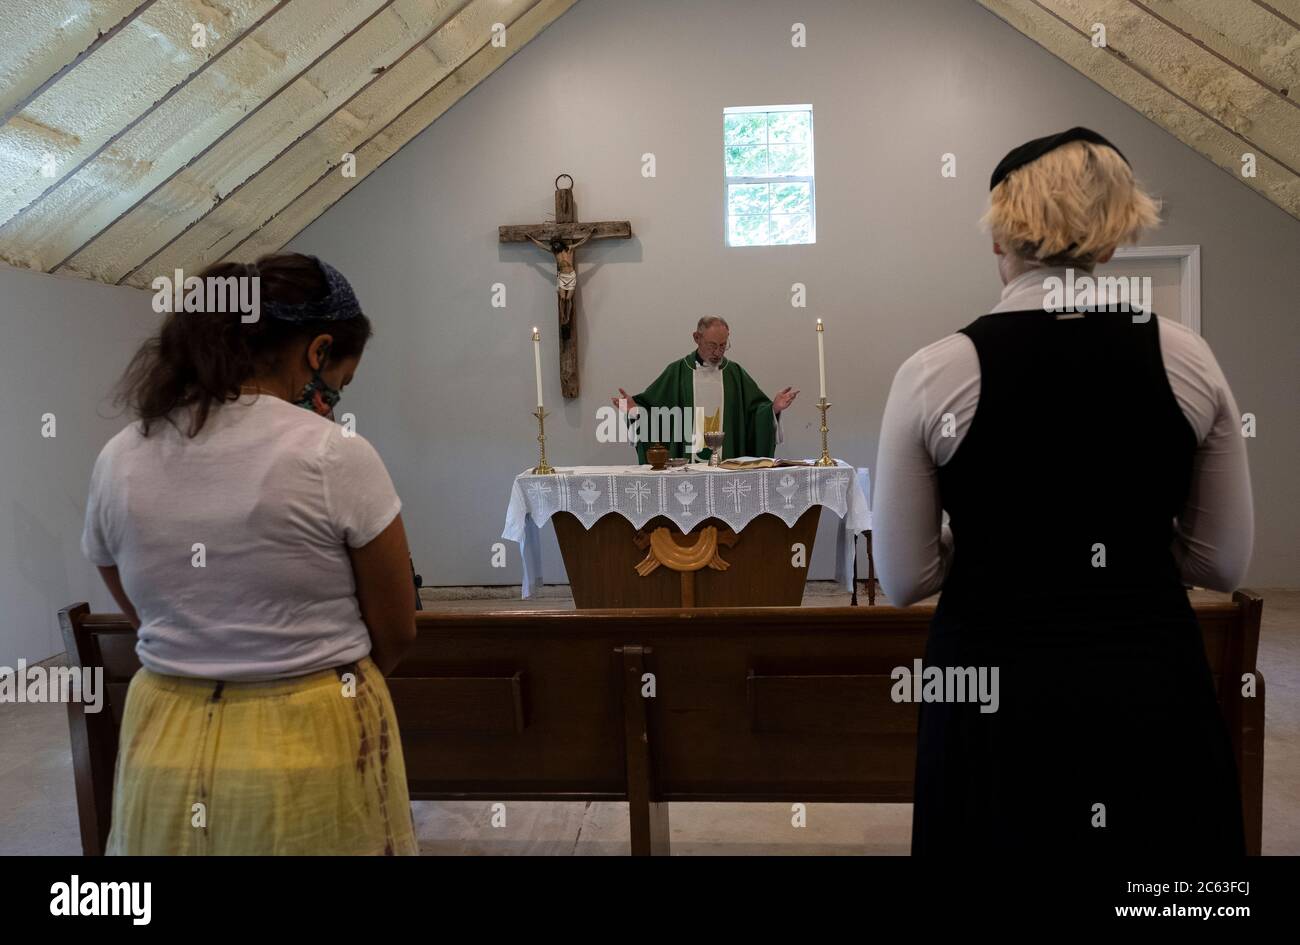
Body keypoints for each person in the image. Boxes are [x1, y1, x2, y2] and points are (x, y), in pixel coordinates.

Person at [873, 127, 1252, 855]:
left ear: (997, 239)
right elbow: (1222, 562)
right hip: (1147, 682)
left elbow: (904, 576)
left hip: (989, 692)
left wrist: (990, 539)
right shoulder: (1186, 356)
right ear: (1111, 243)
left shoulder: (935, 371)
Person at [81, 252, 419, 855]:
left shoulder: (121, 454)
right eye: (340, 383)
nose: (332, 400)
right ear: (317, 352)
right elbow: (396, 627)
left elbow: (121, 581)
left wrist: (199, 642)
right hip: (310, 734)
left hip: (164, 732)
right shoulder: (334, 454)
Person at [612, 316, 799, 463]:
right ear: (696, 338)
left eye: (723, 346)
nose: (718, 352)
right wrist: (634, 410)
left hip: (728, 466)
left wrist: (773, 409)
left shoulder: (734, 373)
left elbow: (755, 414)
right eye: (712, 345)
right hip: (686, 467)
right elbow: (655, 411)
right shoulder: (677, 372)